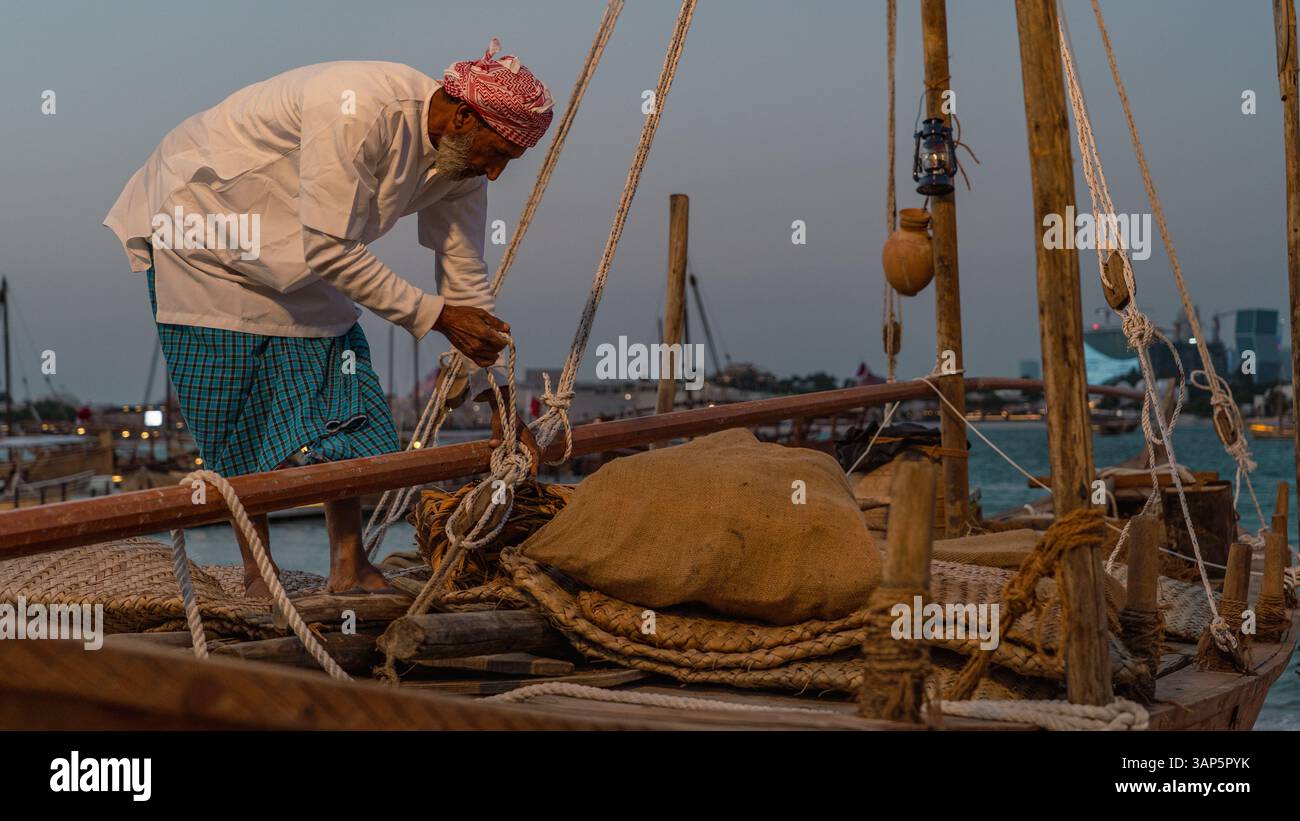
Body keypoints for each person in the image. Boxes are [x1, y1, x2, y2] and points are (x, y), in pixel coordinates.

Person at [104, 40, 547, 596]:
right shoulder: (360, 109)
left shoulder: (463, 166)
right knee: (234, 413)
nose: (497, 171)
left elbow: (464, 278)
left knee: (349, 399)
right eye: (499, 151)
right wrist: (436, 317)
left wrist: (500, 400)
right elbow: (334, 253)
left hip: (301, 245)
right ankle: (257, 575)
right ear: (463, 115)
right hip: (202, 225)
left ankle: (350, 566)